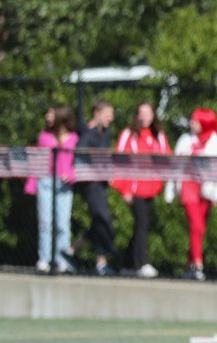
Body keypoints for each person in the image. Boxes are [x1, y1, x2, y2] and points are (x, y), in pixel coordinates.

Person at [167, 108, 217, 281]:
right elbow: (176, 165)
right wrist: (171, 191)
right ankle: (198, 264)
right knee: (197, 225)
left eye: (195, 120)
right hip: (188, 185)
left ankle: (190, 264)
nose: (191, 123)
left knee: (199, 228)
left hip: (207, 188)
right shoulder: (185, 140)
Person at [113, 102, 169, 279]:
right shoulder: (128, 134)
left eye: (148, 113)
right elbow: (118, 161)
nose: (145, 117)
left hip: (150, 188)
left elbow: (166, 157)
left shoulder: (158, 135)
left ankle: (128, 264)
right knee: (142, 224)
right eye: (142, 113)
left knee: (141, 225)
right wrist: (125, 188)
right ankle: (142, 263)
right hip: (134, 188)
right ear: (136, 116)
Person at [27, 105, 78, 274]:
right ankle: (44, 259)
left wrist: (70, 176)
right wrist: (32, 183)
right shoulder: (44, 137)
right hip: (46, 181)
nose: (47, 116)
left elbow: (77, 163)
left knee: (62, 223)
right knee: (45, 222)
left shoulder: (73, 138)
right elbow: (38, 161)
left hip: (64, 184)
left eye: (50, 113)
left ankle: (61, 259)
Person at [75, 101, 118, 276]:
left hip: (100, 182)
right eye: (108, 113)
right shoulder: (89, 134)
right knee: (103, 219)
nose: (111, 118)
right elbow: (80, 153)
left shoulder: (104, 133)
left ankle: (71, 250)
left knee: (98, 222)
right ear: (97, 113)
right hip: (90, 183)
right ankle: (103, 259)